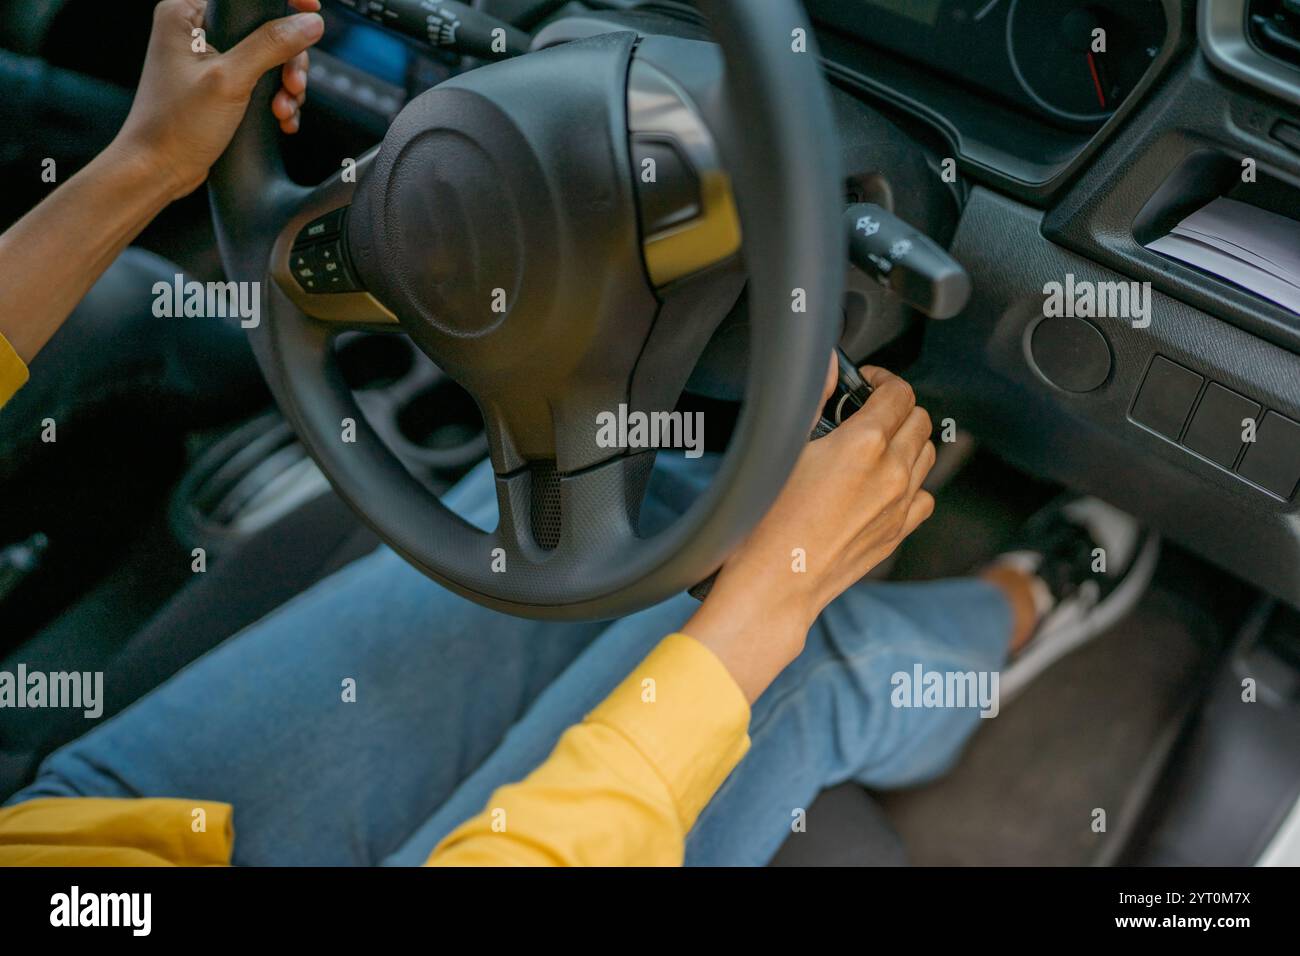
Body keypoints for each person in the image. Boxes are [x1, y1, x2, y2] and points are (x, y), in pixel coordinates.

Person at [0, 0, 1143, 866]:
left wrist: (147, 164)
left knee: (606, 535)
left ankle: (830, 487)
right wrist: (768, 605)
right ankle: (1034, 600)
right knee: (805, 664)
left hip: (81, 839)